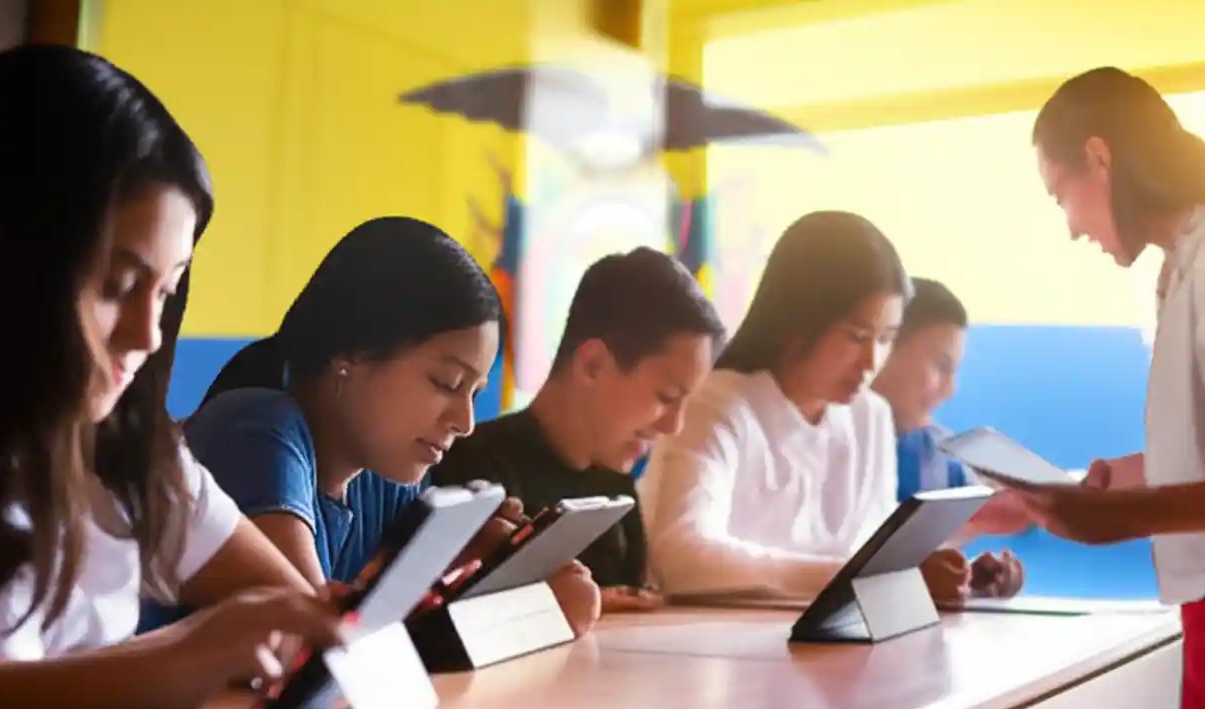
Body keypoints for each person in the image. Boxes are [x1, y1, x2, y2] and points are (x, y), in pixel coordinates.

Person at [0, 46, 343, 709]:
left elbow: (292, 609)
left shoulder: (121, 445)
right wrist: (162, 665)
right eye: (120, 286)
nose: (148, 335)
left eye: (168, 291)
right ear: (6, 254)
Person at [162, 216, 601, 636]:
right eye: (446, 382)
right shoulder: (256, 430)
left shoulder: (379, 479)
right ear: (349, 355)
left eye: (474, 392)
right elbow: (311, 639)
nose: (465, 421)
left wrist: (492, 557)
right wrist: (524, 608)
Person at [639, 211, 1024, 604]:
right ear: (798, 322)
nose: (872, 361)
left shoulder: (869, 416)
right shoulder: (716, 406)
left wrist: (956, 576)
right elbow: (682, 558)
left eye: (887, 338)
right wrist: (867, 576)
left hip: (827, 648)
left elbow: (869, 553)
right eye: (857, 337)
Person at [999, 66, 1205, 709]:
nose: (1070, 227)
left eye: (1060, 194)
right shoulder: (1180, 263)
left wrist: (1119, 518)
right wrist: (1135, 478)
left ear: (1099, 156)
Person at [433, 248, 725, 613]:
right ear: (593, 364)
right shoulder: (471, 472)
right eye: (666, 397)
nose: (674, 426)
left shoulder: (616, 491)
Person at [871, 277, 1032, 537]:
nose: (949, 390)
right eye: (941, 366)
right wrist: (973, 523)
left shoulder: (936, 455)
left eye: (953, 371)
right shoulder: (828, 445)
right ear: (886, 347)